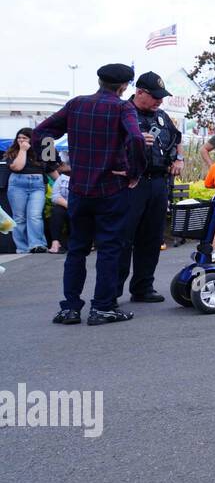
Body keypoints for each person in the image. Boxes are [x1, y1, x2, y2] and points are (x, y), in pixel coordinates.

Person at [34, 63, 146, 326]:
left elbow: (42, 132)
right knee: (109, 250)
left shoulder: (76, 104)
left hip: (79, 189)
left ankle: (70, 308)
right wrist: (133, 173)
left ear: (99, 80)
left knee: (77, 249)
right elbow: (137, 139)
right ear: (124, 86)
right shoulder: (122, 107)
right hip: (110, 189)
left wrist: (51, 163)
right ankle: (102, 307)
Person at [116, 72, 183, 303]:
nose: (159, 101)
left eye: (161, 97)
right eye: (155, 96)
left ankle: (143, 287)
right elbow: (108, 144)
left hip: (158, 182)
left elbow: (176, 140)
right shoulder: (122, 113)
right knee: (124, 238)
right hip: (131, 183)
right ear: (140, 92)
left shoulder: (162, 116)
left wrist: (179, 159)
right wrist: (131, 141)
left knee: (152, 238)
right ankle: (111, 293)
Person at [3, 128, 50, 253]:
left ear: (32, 139)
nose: (21, 140)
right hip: (17, 185)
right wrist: (23, 150)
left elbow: (49, 167)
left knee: (35, 215)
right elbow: (17, 167)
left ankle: (37, 244)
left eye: (25, 138)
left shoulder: (41, 151)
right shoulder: (13, 152)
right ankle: (22, 248)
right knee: (19, 217)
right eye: (19, 137)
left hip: (37, 185)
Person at [46, 161, 71, 253]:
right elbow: (55, 197)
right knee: (57, 211)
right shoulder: (61, 179)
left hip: (81, 206)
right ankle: (55, 243)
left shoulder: (83, 176)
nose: (63, 165)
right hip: (66, 205)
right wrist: (69, 205)